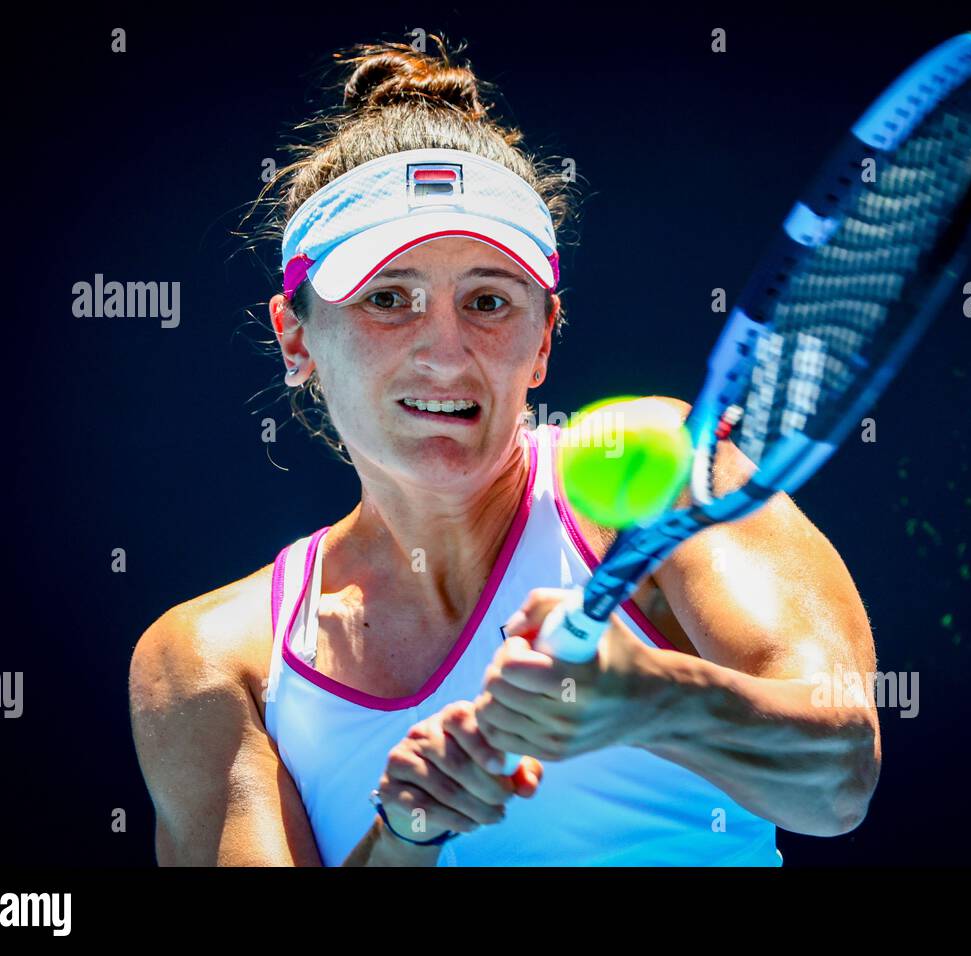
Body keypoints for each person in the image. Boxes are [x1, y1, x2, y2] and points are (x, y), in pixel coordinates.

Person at [129, 36, 880, 866]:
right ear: (295, 337)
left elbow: (839, 781)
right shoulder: (209, 659)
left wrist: (654, 701)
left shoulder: (664, 471)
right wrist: (410, 833)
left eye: (488, 300)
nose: (447, 355)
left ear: (544, 340)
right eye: (390, 299)